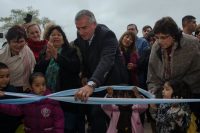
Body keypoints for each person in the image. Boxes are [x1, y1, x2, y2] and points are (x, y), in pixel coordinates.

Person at [74, 10, 128, 133]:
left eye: (84, 28)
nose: (81, 32)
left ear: (94, 24)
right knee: (96, 117)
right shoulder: (80, 36)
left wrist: (92, 83)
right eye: (78, 28)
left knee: (116, 121)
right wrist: (85, 75)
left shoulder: (107, 35)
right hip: (95, 84)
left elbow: (106, 61)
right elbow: (86, 57)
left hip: (114, 84)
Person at [147, 16, 200, 131]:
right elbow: (152, 75)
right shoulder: (156, 46)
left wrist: (176, 89)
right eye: (157, 37)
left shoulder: (192, 43)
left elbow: (197, 72)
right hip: (164, 95)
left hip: (189, 95)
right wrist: (153, 94)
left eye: (163, 37)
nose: (159, 41)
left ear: (174, 34)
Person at [34, 25, 84, 133]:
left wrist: (56, 56)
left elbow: (75, 68)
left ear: (63, 38)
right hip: (48, 99)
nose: (56, 37)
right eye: (53, 35)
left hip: (67, 100)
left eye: (59, 34)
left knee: (68, 127)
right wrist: (47, 58)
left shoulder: (71, 51)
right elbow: (37, 73)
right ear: (48, 38)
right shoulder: (44, 52)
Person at [0, 72, 64, 133]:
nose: (41, 88)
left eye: (43, 84)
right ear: (31, 87)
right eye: (37, 85)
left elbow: (59, 120)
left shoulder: (52, 100)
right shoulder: (27, 100)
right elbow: (15, 109)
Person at [0, 25, 36, 92]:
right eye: (15, 42)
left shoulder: (28, 52)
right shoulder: (2, 55)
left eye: (21, 41)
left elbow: (33, 68)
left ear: (25, 41)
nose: (18, 45)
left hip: (25, 88)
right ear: (8, 42)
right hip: (6, 90)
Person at [0, 62, 22, 133]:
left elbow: (20, 108)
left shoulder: (12, 89)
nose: (5, 79)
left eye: (7, 76)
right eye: (1, 77)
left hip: (13, 127)